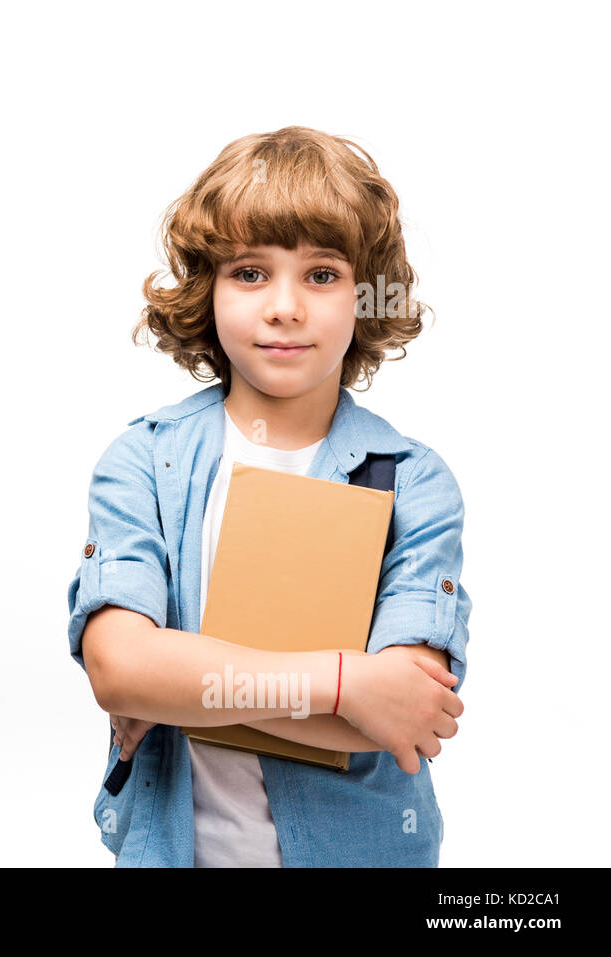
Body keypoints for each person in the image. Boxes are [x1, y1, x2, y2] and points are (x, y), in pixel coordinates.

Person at [68, 127, 471, 867]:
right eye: (250, 272)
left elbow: (398, 716)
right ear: (208, 288)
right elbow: (119, 669)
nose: (284, 307)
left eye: (321, 275)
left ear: (365, 294)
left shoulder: (412, 479)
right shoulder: (144, 462)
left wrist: (180, 686)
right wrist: (347, 680)